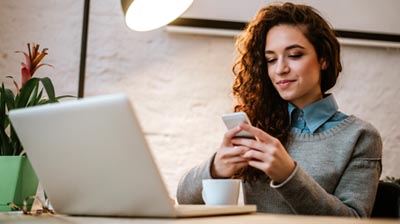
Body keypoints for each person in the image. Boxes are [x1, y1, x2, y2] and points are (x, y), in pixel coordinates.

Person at [176, 2, 382, 217]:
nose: (280, 69)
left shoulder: (360, 136)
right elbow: (184, 197)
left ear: (323, 59)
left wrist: (288, 175)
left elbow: (354, 220)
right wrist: (216, 168)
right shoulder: (259, 126)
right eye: (271, 59)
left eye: (294, 55)